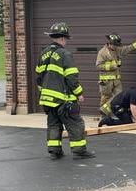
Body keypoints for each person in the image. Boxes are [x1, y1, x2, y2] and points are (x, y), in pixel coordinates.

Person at [36, 22, 94, 159]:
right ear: (62, 38)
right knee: (75, 124)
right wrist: (79, 93)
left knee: (54, 124)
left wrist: (43, 94)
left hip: (47, 100)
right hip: (64, 99)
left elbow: (38, 78)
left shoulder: (43, 54)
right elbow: (71, 77)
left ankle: (54, 151)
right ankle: (79, 151)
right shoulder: (65, 54)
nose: (66, 41)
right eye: (66, 39)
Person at [96, 33, 136, 116]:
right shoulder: (102, 52)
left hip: (116, 80)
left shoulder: (117, 50)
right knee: (105, 97)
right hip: (106, 81)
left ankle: (108, 111)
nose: (116, 47)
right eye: (114, 45)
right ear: (110, 43)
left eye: (117, 45)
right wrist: (113, 65)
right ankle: (104, 115)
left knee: (119, 96)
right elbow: (98, 66)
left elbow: (128, 48)